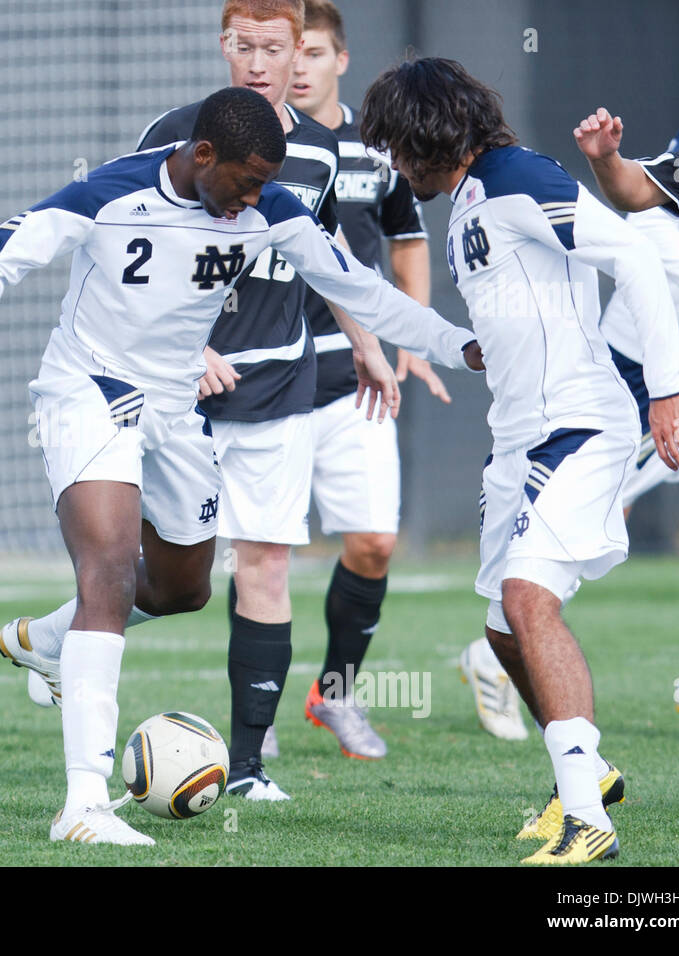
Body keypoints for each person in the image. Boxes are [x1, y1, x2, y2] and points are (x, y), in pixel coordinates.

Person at [0, 86, 480, 846]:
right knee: (105, 568)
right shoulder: (110, 192)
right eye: (247, 179)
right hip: (89, 388)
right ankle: (83, 805)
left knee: (180, 588)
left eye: (267, 183)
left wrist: (455, 344)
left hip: (175, 404)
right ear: (203, 156)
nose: (257, 197)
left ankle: (51, 641)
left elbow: (358, 287)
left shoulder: (269, 210)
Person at [361, 58, 679, 864]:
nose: (399, 166)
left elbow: (635, 258)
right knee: (502, 627)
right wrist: (479, 345)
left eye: (401, 147)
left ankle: (588, 822)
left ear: (432, 130)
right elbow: (525, 303)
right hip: (516, 440)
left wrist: (667, 390)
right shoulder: (469, 200)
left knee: (526, 597)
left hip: (579, 425)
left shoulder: (515, 175)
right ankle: (590, 773)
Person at [134, 0, 343, 797]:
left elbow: (319, 264)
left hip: (279, 389)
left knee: (263, 566)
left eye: (275, 48)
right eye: (245, 45)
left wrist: (366, 344)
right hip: (174, 390)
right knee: (151, 571)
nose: (259, 63)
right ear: (224, 45)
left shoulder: (320, 154)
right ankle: (60, 646)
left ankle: (250, 767)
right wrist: (189, 349)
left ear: (302, 52)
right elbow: (124, 258)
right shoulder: (173, 135)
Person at [279, 0, 454, 760]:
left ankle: (335, 693)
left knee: (375, 543)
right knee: (262, 554)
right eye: (290, 53)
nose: (298, 67)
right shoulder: (260, 143)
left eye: (314, 53)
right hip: (273, 375)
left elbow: (407, 236)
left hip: (362, 376)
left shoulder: (376, 148)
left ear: (340, 60)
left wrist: (413, 333)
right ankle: (252, 721)